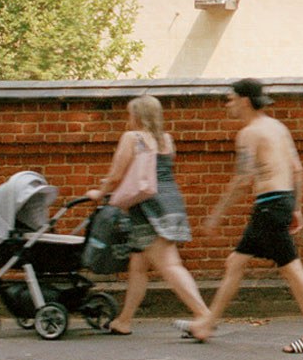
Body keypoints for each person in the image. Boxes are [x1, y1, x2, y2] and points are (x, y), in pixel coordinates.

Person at [180, 78, 303, 353]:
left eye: (231, 99)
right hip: (279, 202)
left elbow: (242, 178)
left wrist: (216, 215)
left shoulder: (249, 133)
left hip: (269, 205)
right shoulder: (277, 127)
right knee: (236, 262)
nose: (228, 104)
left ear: (245, 100)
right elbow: (298, 170)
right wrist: (295, 207)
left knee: (291, 268)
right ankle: (207, 323)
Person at [77, 95, 211, 337]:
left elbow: (117, 175)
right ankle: (124, 320)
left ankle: (203, 316)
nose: (128, 118)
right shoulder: (166, 140)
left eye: (130, 113)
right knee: (138, 267)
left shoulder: (133, 138)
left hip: (148, 210)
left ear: (137, 116)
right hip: (171, 204)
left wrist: (100, 192)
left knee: (170, 264)